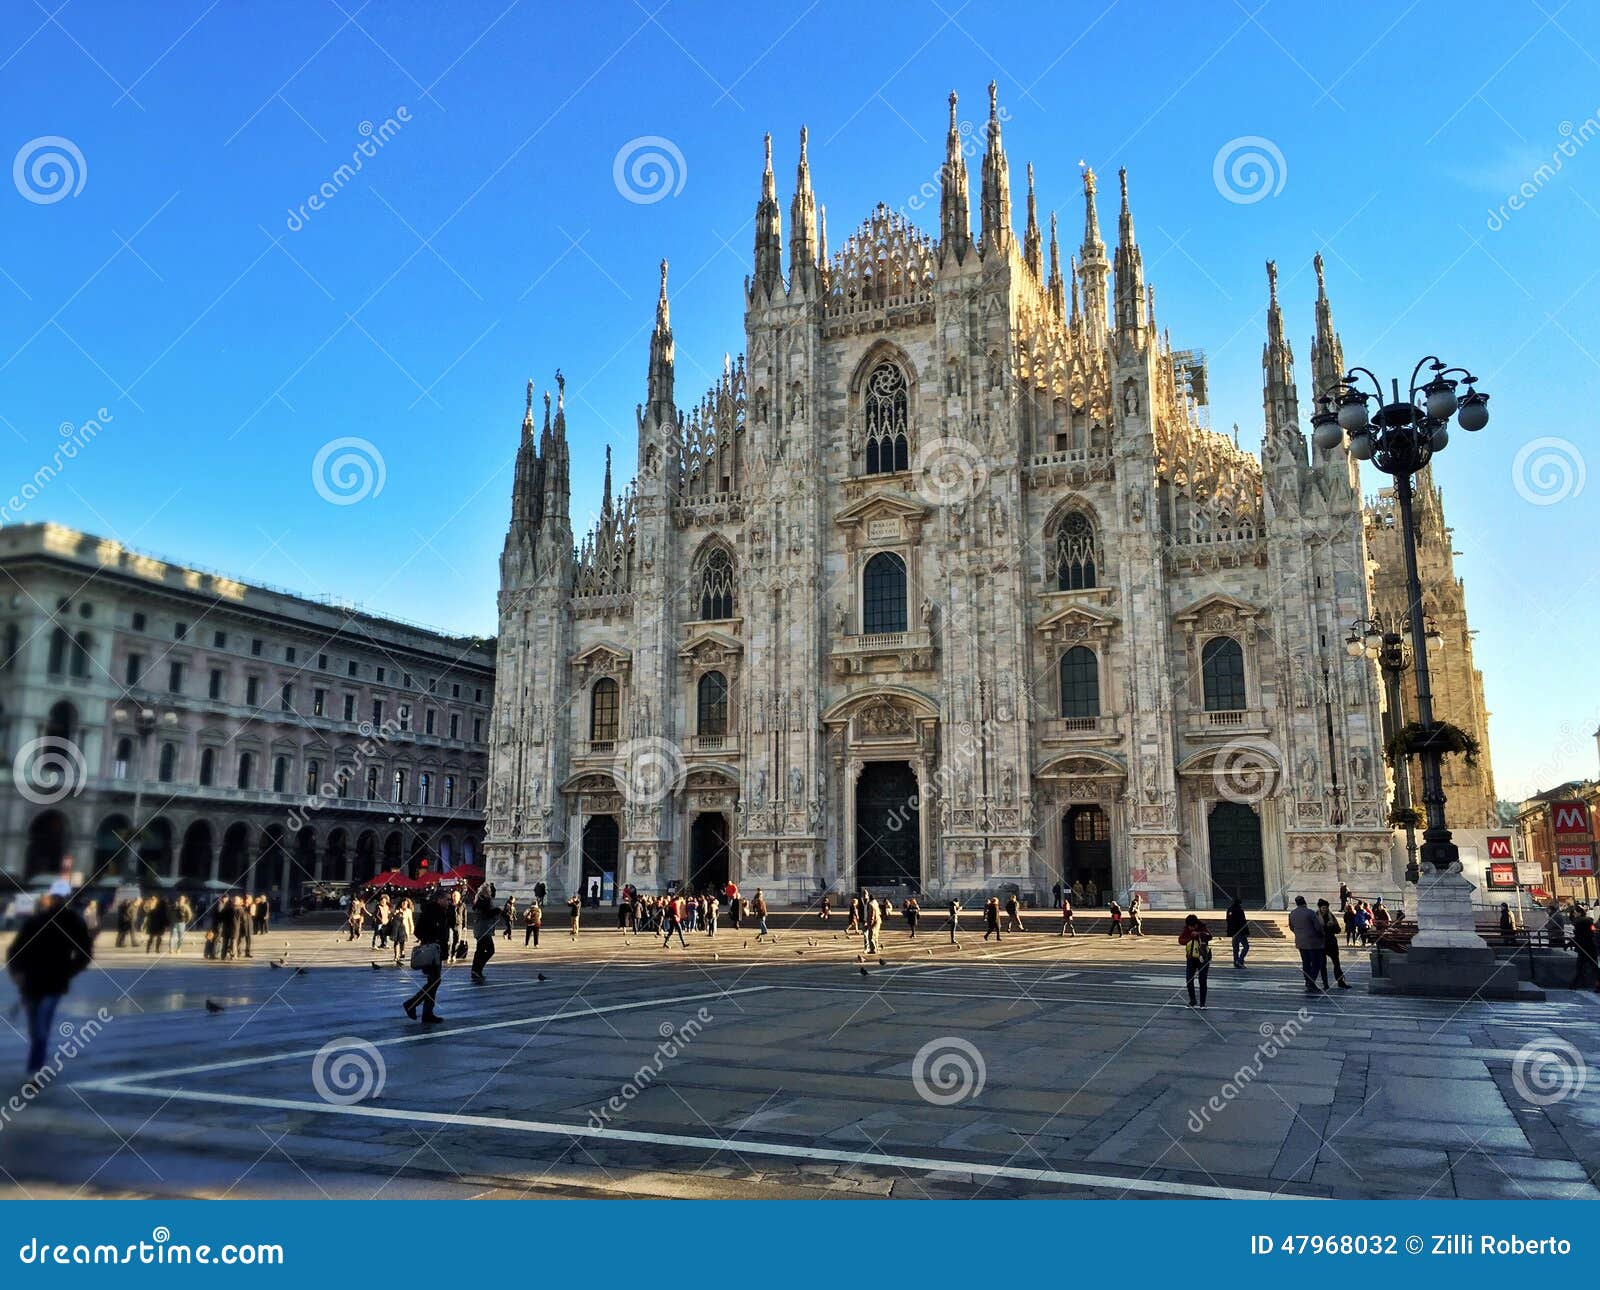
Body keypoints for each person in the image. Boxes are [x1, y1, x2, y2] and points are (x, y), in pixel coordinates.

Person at [6, 885, 92, 1083]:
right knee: (39, 1027)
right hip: (50, 982)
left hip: (33, 981)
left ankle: (35, 1068)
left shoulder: (39, 921)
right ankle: (35, 1067)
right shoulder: (72, 922)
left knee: (39, 1027)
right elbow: (85, 954)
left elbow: (14, 951)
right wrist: (69, 971)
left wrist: (17, 972)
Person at [402, 895, 450, 1024]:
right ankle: (412, 1004)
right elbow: (418, 931)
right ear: (439, 900)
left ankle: (427, 1013)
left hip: (437, 951)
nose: (448, 902)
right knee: (435, 981)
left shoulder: (442, 912)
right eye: (446, 899)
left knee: (434, 981)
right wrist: (431, 940)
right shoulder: (431, 912)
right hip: (431, 951)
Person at [1288, 895, 1325, 993]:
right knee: (1317, 963)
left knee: (1306, 963)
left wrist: (1299, 934)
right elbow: (1318, 927)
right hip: (1313, 942)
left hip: (1300, 942)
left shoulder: (1292, 913)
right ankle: (1311, 983)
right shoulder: (1310, 913)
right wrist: (1322, 935)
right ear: (1305, 902)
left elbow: (1291, 927)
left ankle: (1307, 981)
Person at [1179, 914, 1212, 1009]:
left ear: (1196, 924)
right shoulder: (1187, 929)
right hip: (1191, 957)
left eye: (1191, 926)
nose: (1190, 928)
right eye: (1188, 926)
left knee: (1202, 980)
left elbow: (1210, 936)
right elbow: (1180, 940)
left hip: (1202, 957)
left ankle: (1203, 1003)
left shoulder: (1202, 927)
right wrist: (1190, 938)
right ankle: (1192, 1000)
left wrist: (1198, 935)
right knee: (1189, 979)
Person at [1316, 898, 1350, 989]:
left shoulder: (1331, 916)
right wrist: (1325, 927)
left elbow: (1338, 930)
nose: (1325, 909)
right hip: (1321, 943)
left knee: (1336, 963)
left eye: (1326, 908)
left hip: (1331, 942)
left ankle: (1340, 981)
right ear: (1319, 908)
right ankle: (1325, 984)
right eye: (1323, 908)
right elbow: (1315, 930)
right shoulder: (1315, 917)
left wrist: (1332, 926)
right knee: (1323, 965)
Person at [471, 882, 500, 983]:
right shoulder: (483, 901)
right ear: (486, 891)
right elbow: (487, 914)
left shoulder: (480, 900)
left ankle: (476, 970)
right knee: (489, 950)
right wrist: (497, 910)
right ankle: (476, 969)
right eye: (489, 891)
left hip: (481, 929)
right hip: (483, 930)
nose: (490, 893)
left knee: (480, 951)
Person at [1570, 906, 1600, 992]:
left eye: (1575, 912)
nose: (1574, 914)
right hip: (1589, 947)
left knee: (1584, 967)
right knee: (1592, 967)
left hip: (1585, 948)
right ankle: (1575, 984)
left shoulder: (1579, 922)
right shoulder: (1588, 921)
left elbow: (1578, 936)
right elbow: (1592, 931)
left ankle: (1574, 984)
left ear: (1579, 913)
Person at [1225, 896, 1249, 968]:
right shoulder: (1239, 910)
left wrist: (1230, 931)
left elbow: (1228, 920)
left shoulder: (1229, 909)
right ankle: (1240, 961)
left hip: (1233, 932)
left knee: (1235, 948)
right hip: (1240, 931)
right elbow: (1242, 921)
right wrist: (1246, 931)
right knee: (1246, 946)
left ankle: (1236, 961)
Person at [392, 897, 415, 966]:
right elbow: (391, 917)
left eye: (405, 903)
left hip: (404, 928)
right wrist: (394, 914)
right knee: (396, 942)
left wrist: (412, 928)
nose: (404, 904)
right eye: (403, 903)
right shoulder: (397, 910)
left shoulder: (408, 911)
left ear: (407, 904)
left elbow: (410, 920)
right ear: (401, 903)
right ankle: (396, 956)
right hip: (396, 928)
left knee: (402, 941)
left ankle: (402, 951)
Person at [448, 887, 467, 959]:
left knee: (457, 941)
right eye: (454, 896)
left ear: (459, 897)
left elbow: (464, 915)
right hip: (450, 924)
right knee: (449, 941)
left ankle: (454, 954)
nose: (455, 897)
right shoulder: (449, 905)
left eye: (456, 896)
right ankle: (449, 955)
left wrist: (465, 926)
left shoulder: (462, 905)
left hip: (459, 924)